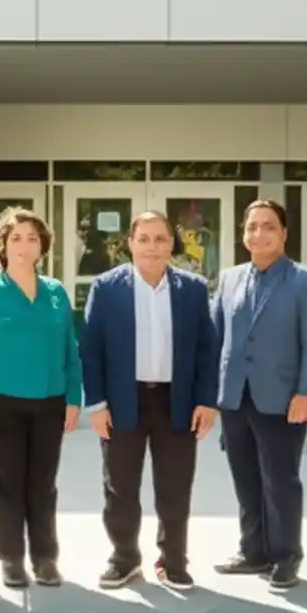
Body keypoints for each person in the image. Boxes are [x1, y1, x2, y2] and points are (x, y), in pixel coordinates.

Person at [81, 210, 218, 591]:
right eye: (144, 238)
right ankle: (124, 559)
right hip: (123, 400)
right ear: (130, 243)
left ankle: (173, 560)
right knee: (120, 487)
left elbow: (208, 349)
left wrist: (207, 401)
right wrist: (96, 404)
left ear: (171, 244)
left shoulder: (191, 289)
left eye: (160, 238)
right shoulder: (107, 288)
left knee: (175, 486)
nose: (152, 246)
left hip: (178, 401)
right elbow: (90, 350)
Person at [210, 199, 307, 590]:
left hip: (282, 398)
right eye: (252, 227)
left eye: (268, 226)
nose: (259, 234)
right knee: (245, 478)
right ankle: (253, 551)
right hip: (234, 395)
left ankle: (285, 556)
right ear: (243, 233)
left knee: (280, 479)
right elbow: (215, 338)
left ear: (284, 234)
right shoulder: (229, 279)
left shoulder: (306, 281)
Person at [0, 209, 81, 589]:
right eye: (16, 238)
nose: (24, 246)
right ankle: (11, 558)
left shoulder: (56, 292)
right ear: (3, 244)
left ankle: (45, 558)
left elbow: (70, 349)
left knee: (42, 484)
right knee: (7, 482)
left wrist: (73, 398)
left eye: (32, 238)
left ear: (42, 245)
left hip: (49, 402)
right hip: (1, 404)